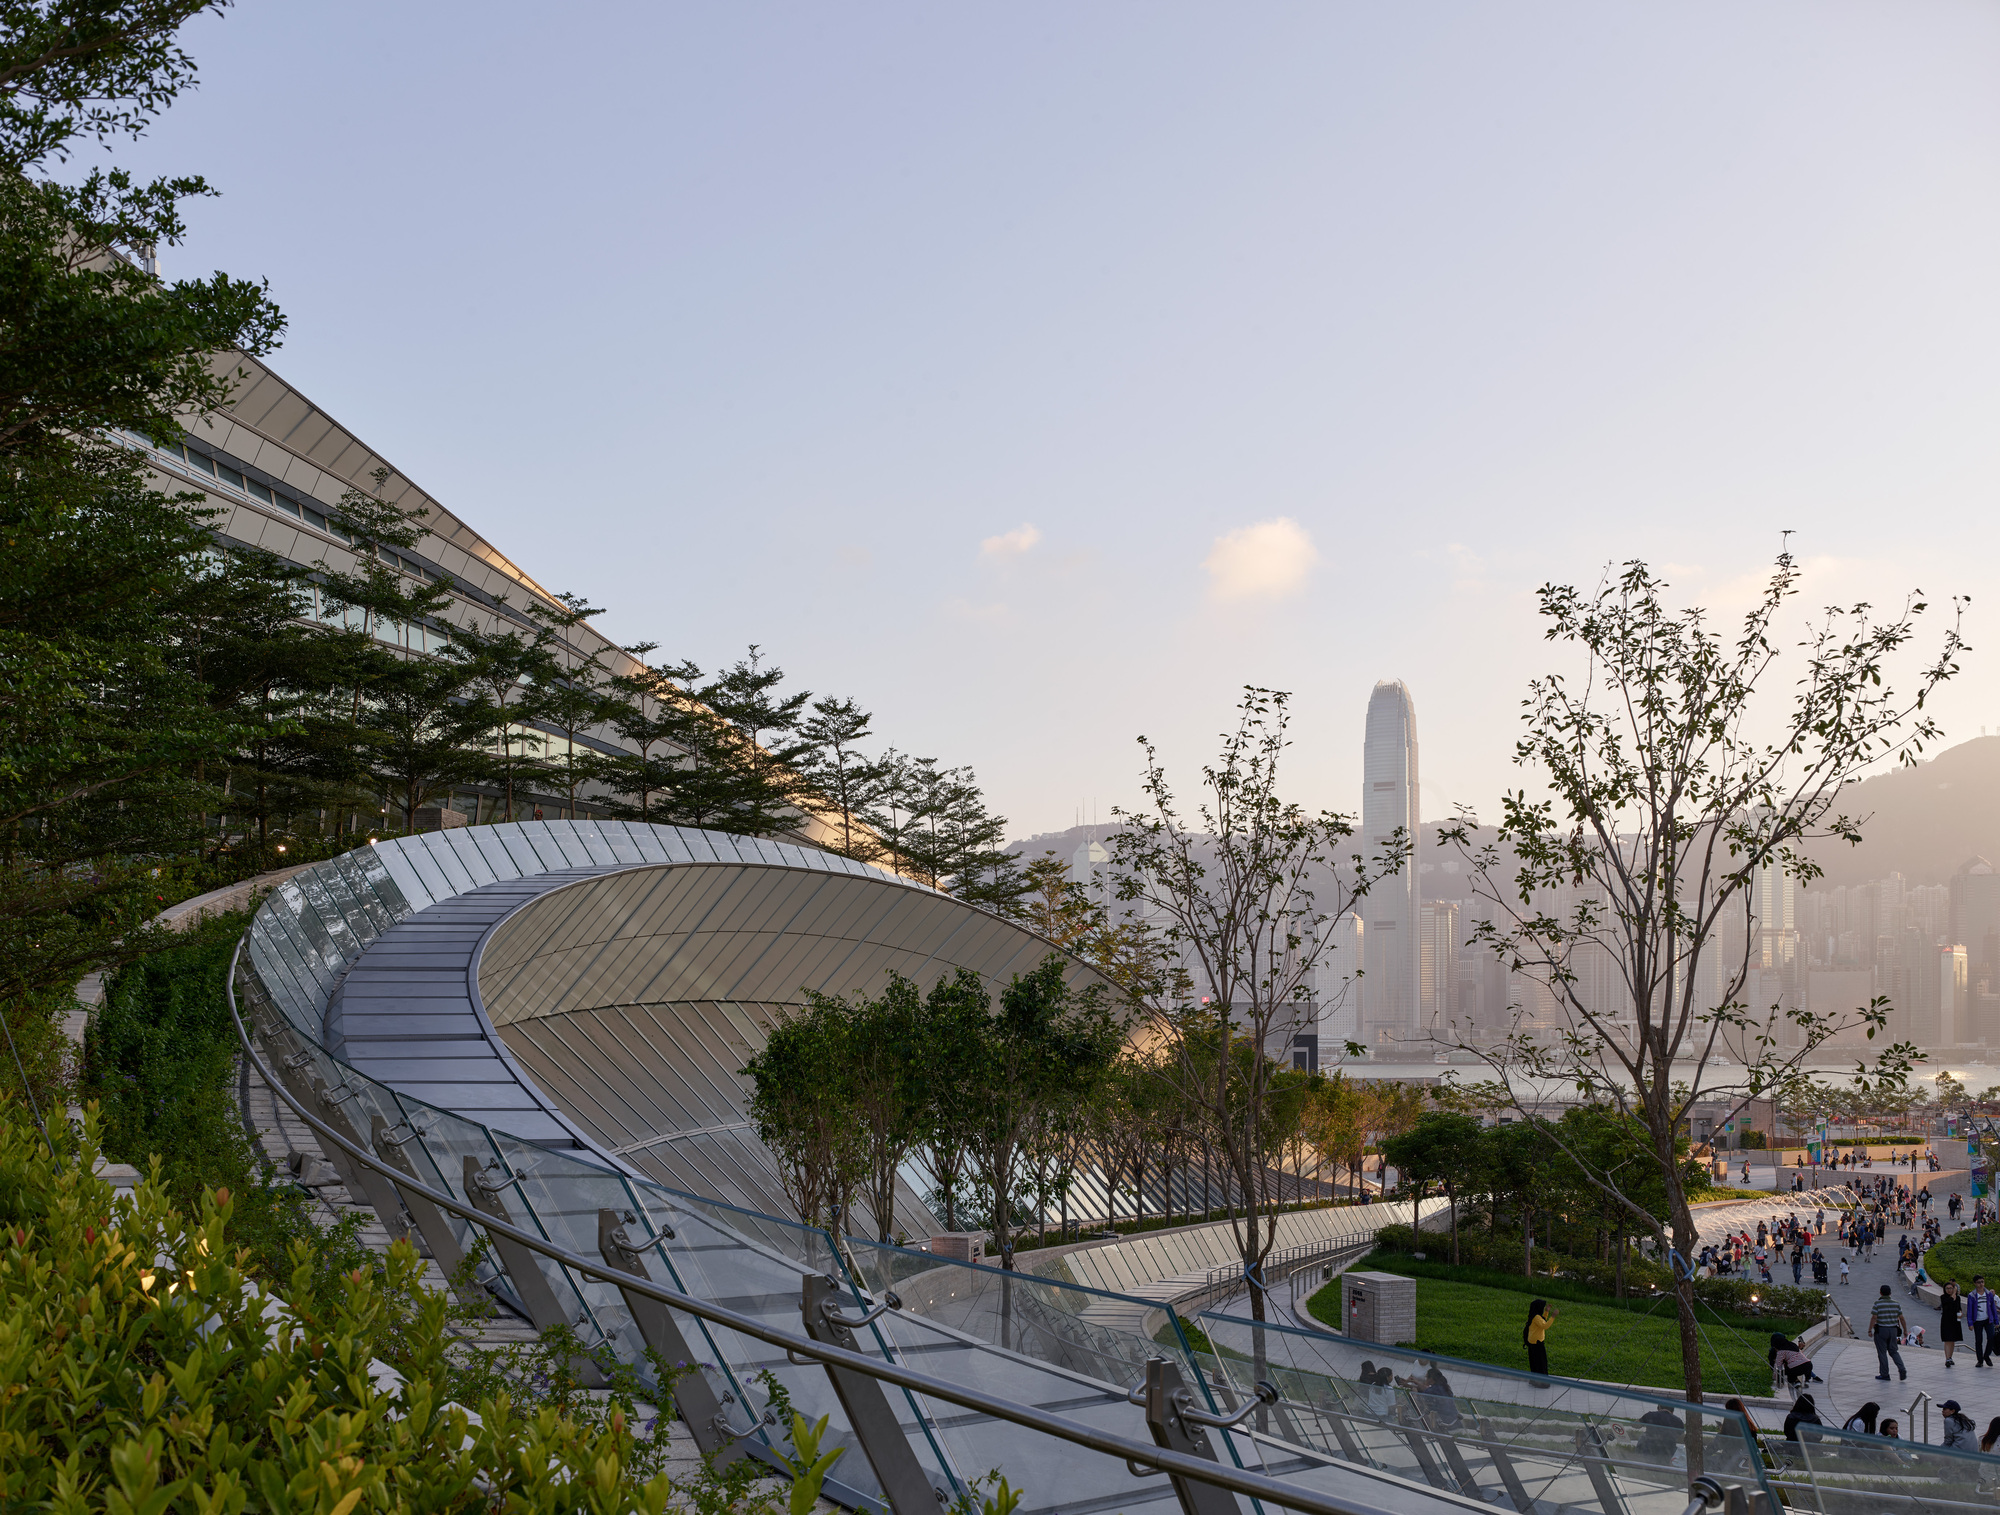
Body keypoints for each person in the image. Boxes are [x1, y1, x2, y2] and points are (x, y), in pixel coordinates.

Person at [1870, 1285, 1908, 1381]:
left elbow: (1874, 1317)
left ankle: (1885, 1374)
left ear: (1880, 1293)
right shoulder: (1896, 1304)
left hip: (1881, 1330)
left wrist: (1869, 1329)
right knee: (1894, 1351)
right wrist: (1905, 1330)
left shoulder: (1877, 1303)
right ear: (1890, 1293)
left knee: (1882, 1353)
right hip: (1893, 1330)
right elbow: (1902, 1318)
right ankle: (1902, 1368)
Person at [1968, 1274, 2000, 1367]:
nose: (1981, 1284)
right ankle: (1980, 1360)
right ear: (1975, 1283)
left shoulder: (1989, 1294)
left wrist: (1996, 1321)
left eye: (1982, 1282)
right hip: (1977, 1321)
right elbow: (1969, 1310)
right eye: (1979, 1282)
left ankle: (1986, 1356)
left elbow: (1993, 1308)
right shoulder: (1972, 1295)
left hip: (1988, 1320)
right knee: (1979, 1340)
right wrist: (1970, 1323)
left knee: (1991, 1338)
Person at [1524, 1299, 1556, 1378]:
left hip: (1532, 1342)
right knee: (1541, 1363)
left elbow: (1542, 1320)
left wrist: (1547, 1312)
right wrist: (1553, 1317)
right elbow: (1545, 1325)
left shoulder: (1534, 1315)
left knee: (1534, 1363)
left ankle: (1535, 1380)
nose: (1543, 1308)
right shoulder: (1536, 1317)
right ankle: (1542, 1382)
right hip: (1537, 1344)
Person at [1940, 1279, 1964, 1368]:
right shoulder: (1943, 1297)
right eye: (1947, 1288)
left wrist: (1961, 1313)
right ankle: (1947, 1358)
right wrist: (1954, 1293)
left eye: (1951, 1288)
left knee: (1953, 1339)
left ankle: (1950, 1357)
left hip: (1955, 1320)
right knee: (1947, 1339)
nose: (1949, 1290)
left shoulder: (1958, 1298)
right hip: (1946, 1320)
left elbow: (1959, 1307)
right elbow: (1948, 1303)